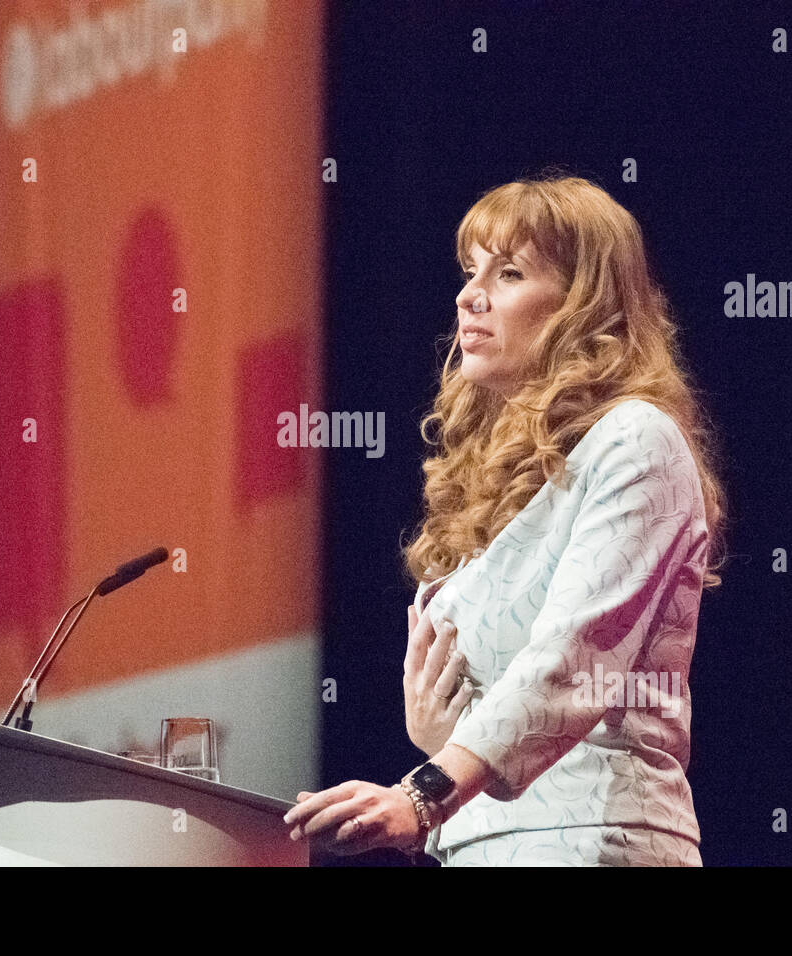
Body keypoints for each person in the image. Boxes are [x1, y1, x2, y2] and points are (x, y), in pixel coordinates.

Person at [284, 172, 728, 865]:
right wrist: (438, 744)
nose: (469, 294)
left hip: (595, 843)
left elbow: (571, 662)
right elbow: (480, 719)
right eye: (470, 271)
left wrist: (424, 791)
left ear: (584, 306)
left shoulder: (637, 441)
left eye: (510, 272)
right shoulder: (488, 490)